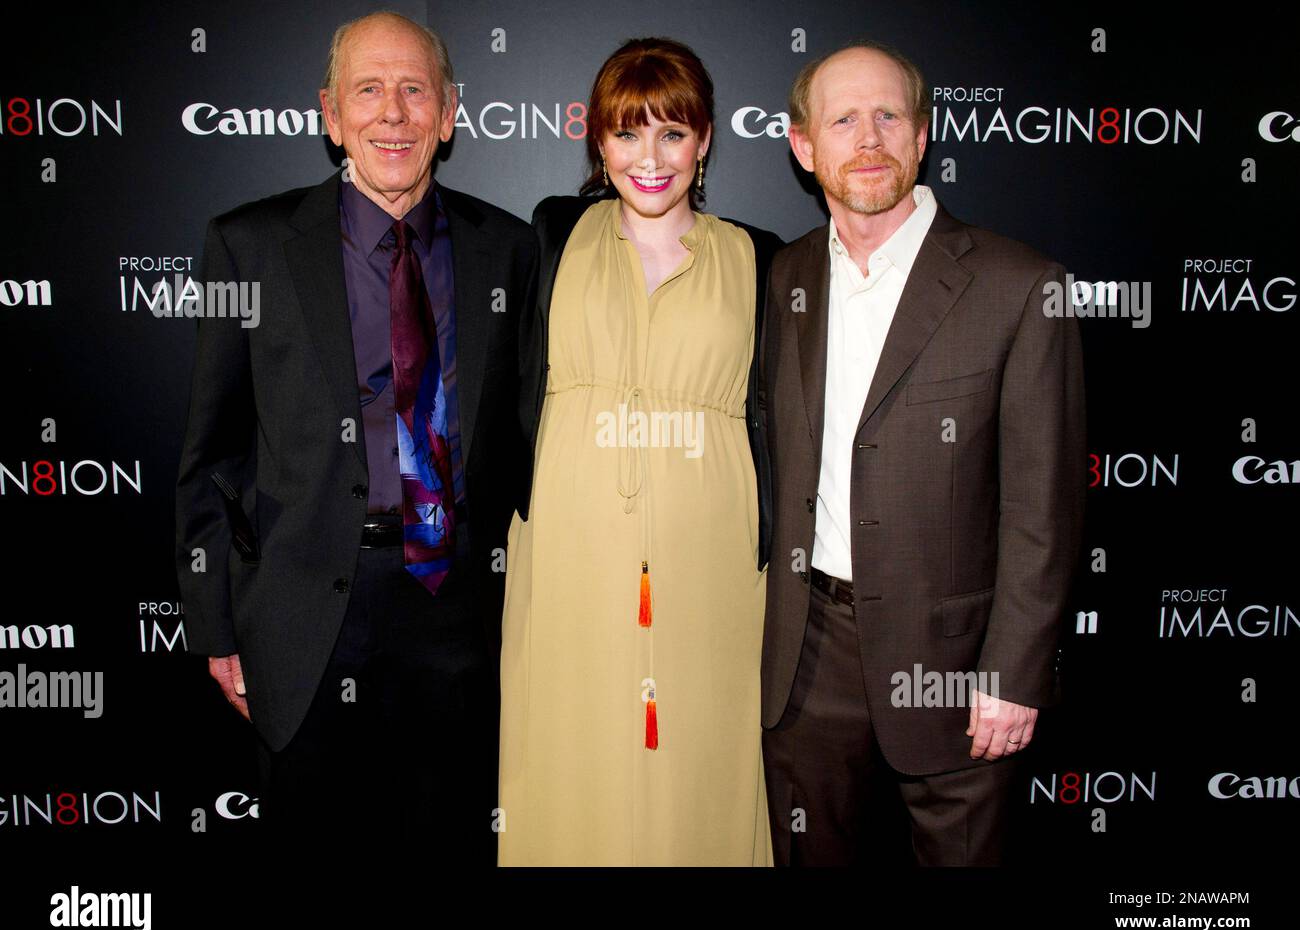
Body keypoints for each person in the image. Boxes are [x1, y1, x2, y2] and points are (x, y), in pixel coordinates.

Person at [174, 11, 538, 862]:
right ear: (330, 115)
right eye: (368, 90)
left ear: (450, 113)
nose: (393, 112)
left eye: (415, 90)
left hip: (457, 619)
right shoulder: (249, 245)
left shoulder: (510, 249)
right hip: (305, 616)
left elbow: (528, 443)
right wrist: (215, 629)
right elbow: (210, 449)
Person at [760, 39, 1085, 866]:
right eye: (842, 120)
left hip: (955, 662)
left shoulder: (1019, 285)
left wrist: (1014, 673)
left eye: (887, 116)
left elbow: (1042, 507)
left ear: (923, 133)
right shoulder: (785, 278)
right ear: (803, 147)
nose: (866, 139)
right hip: (808, 655)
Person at [499, 37, 782, 865]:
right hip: (569, 545)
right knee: (569, 744)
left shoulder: (761, 258)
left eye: (672, 134)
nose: (649, 159)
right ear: (597, 142)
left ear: (705, 141)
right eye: (627, 134)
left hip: (714, 555)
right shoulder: (553, 234)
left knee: (703, 753)